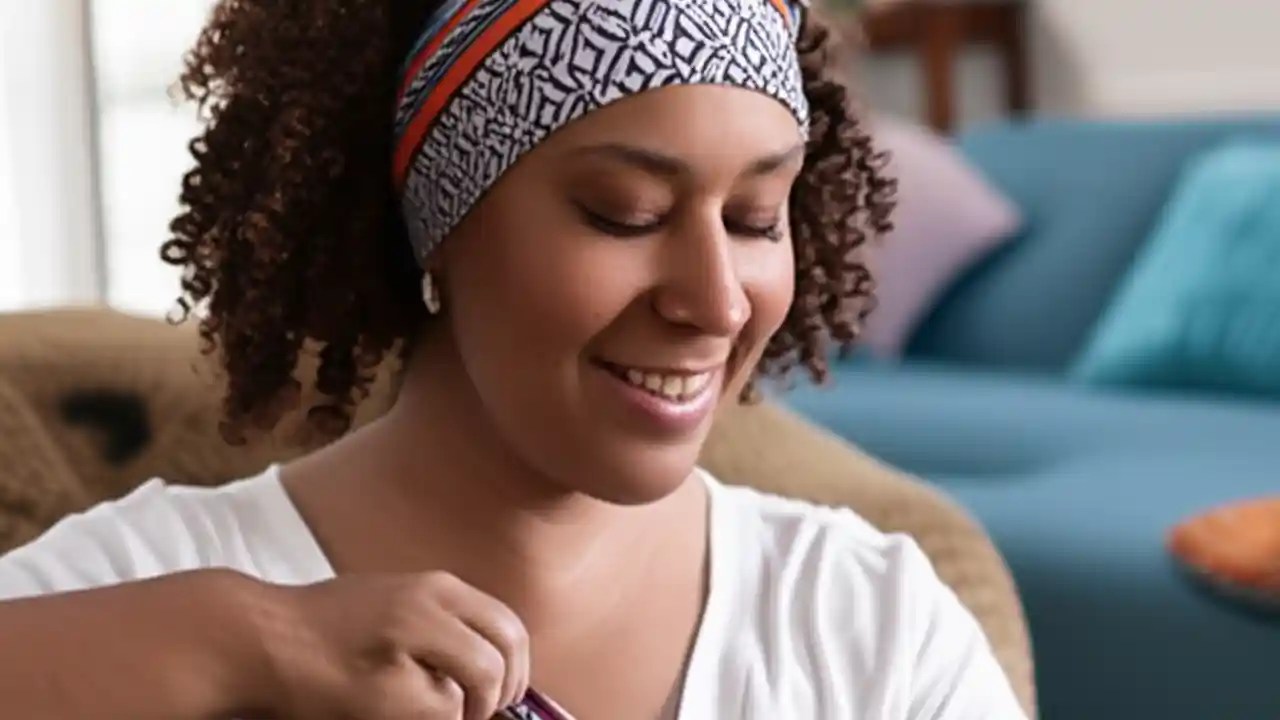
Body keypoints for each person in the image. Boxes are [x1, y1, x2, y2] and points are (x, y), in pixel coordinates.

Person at [0, 0, 1027, 718]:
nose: (715, 298)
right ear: (436, 222)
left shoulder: (867, 623)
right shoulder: (148, 587)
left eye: (755, 218)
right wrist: (248, 642)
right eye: (622, 214)